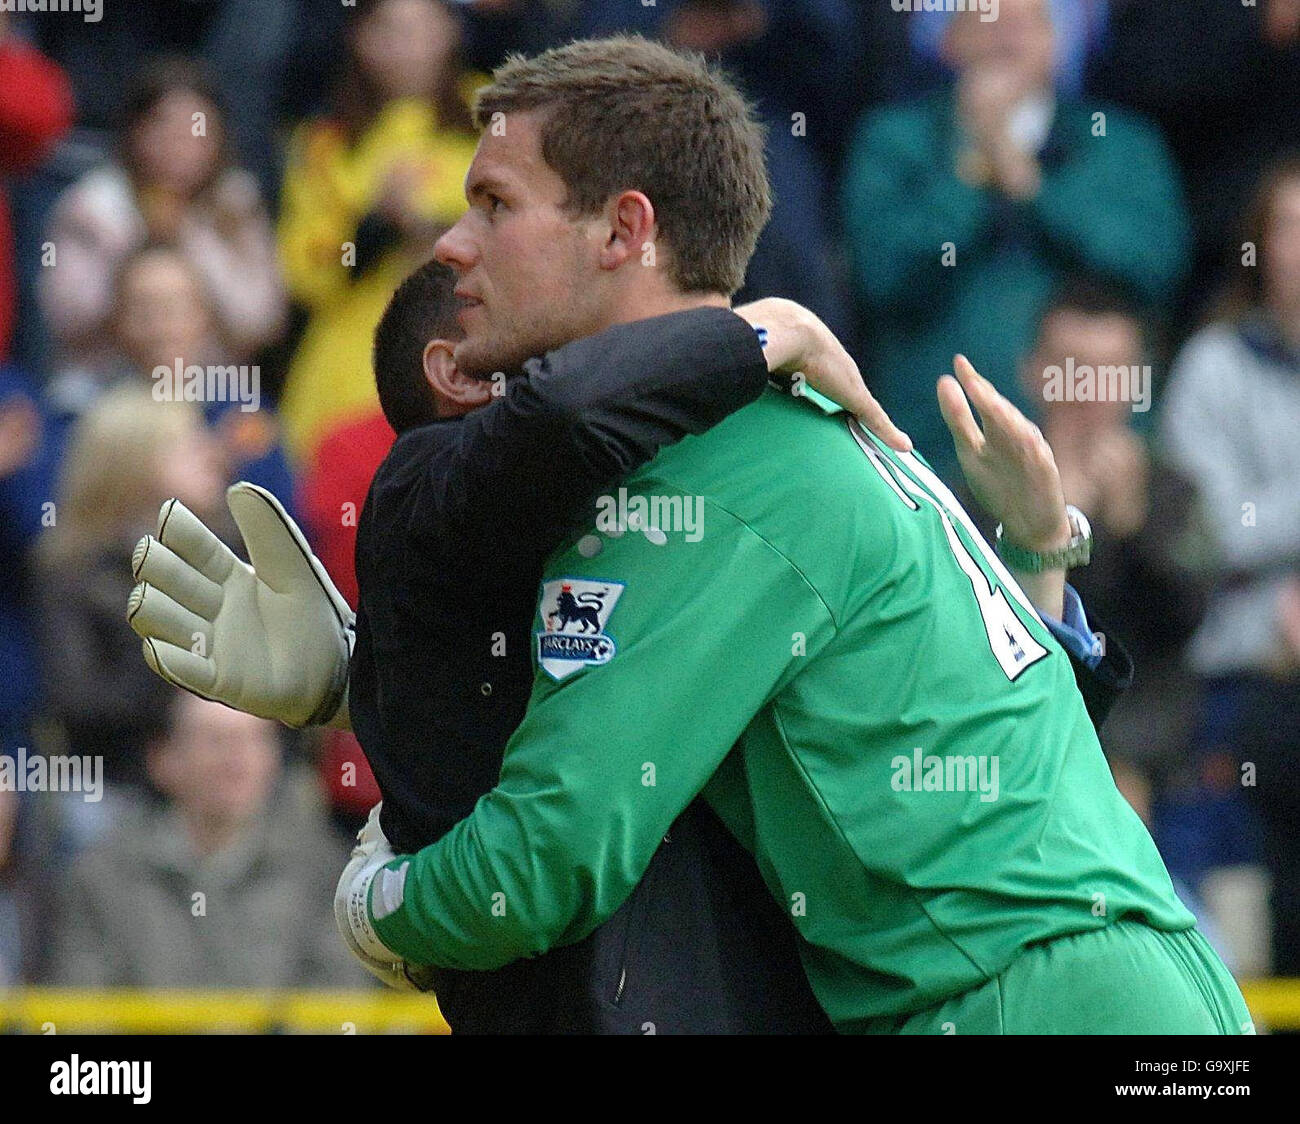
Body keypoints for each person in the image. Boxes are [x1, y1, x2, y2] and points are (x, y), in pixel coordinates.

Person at [332, 36, 1244, 1034]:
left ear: (621, 229)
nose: (455, 242)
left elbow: (547, 860)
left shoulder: (699, 477)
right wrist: (356, 678)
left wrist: (384, 904)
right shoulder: (817, 424)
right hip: (1141, 984)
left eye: (496, 203)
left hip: (1019, 1000)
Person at [131, 256, 899, 1032]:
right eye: (546, 347)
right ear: (458, 373)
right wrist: (767, 331)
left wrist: (363, 687)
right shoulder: (426, 473)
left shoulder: (502, 525)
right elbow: (566, 411)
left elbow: (508, 696)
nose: (586, 354)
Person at [841, 0, 1190, 479]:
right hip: (929, 449)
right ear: (947, 39)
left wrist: (1034, 191)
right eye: (988, 21)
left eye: (1027, 23)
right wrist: (973, 177)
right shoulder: (893, 139)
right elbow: (883, 275)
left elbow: (1152, 268)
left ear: (1059, 43)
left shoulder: (1120, 142)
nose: (1006, 39)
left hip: (1095, 454)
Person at [1158, 155, 1300, 975]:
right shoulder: (1214, 364)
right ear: (1258, 247)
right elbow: (1209, 532)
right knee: (1242, 939)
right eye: (1287, 229)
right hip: (1242, 688)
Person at [275, 0, 478, 463]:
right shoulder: (325, 142)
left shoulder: (492, 113)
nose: (403, 47)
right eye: (385, 30)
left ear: (449, 31)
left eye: (418, 29)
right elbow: (305, 273)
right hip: (354, 351)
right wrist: (375, 226)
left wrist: (440, 224)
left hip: (472, 334)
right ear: (359, 39)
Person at [49, 691, 363, 989]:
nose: (237, 760)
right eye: (217, 741)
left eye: (254, 740)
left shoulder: (323, 867)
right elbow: (81, 1008)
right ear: (162, 759)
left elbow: (340, 1001)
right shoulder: (102, 874)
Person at [40, 57, 284, 380]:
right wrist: (135, 243)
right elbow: (67, 316)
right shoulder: (92, 205)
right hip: (104, 391)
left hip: (211, 393)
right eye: (163, 126)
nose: (178, 144)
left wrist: (193, 238)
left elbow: (260, 321)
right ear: (135, 131)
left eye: (196, 129)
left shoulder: (236, 205)